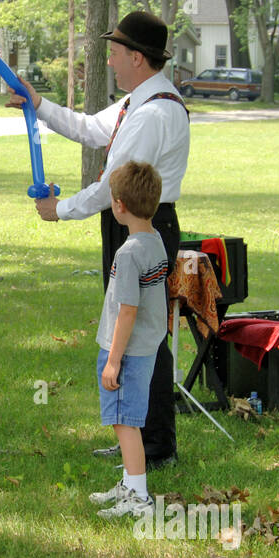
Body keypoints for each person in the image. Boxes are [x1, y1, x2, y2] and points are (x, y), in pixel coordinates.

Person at [9, 10, 188, 467]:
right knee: (129, 333)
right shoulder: (136, 103)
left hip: (146, 224)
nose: (109, 62)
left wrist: (61, 209)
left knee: (143, 334)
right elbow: (90, 129)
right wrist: (39, 104)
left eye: (114, 53)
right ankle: (135, 435)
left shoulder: (154, 112)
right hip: (130, 222)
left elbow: (115, 185)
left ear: (137, 57)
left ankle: (155, 444)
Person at [80, 163, 169, 520]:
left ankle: (139, 497)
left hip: (128, 351)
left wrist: (114, 360)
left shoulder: (129, 253)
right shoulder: (156, 240)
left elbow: (127, 310)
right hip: (146, 347)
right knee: (126, 418)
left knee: (125, 421)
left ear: (118, 206)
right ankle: (130, 482)